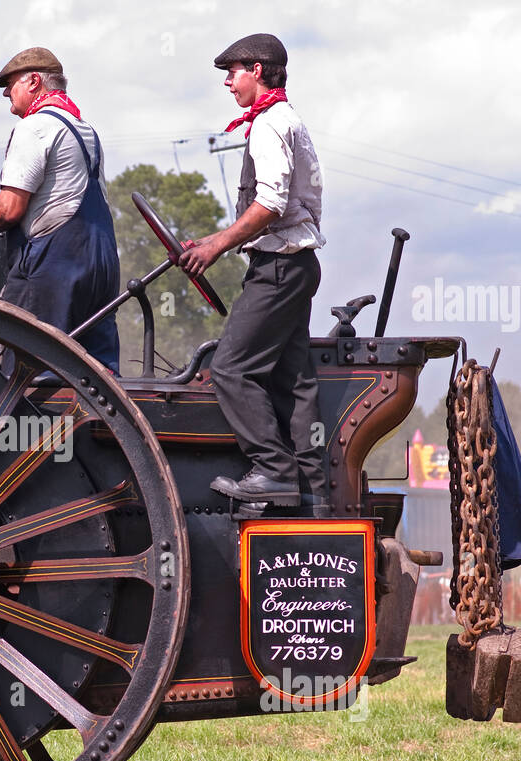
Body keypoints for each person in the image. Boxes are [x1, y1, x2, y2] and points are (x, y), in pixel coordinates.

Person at [177, 33, 326, 510]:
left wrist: (218, 245)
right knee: (291, 380)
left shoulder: (269, 123)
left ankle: (273, 471)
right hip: (295, 266)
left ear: (257, 70)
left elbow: (271, 203)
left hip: (279, 269)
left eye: (233, 71)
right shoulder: (282, 120)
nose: (227, 82)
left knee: (231, 369)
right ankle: (313, 490)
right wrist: (208, 241)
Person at [0, 47, 121, 373]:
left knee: (31, 369)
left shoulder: (34, 127)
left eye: (10, 84)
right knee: (98, 375)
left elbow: (10, 211)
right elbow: (50, 203)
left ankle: (29, 426)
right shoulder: (83, 129)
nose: (7, 93)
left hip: (58, 265)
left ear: (34, 81)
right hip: (102, 264)